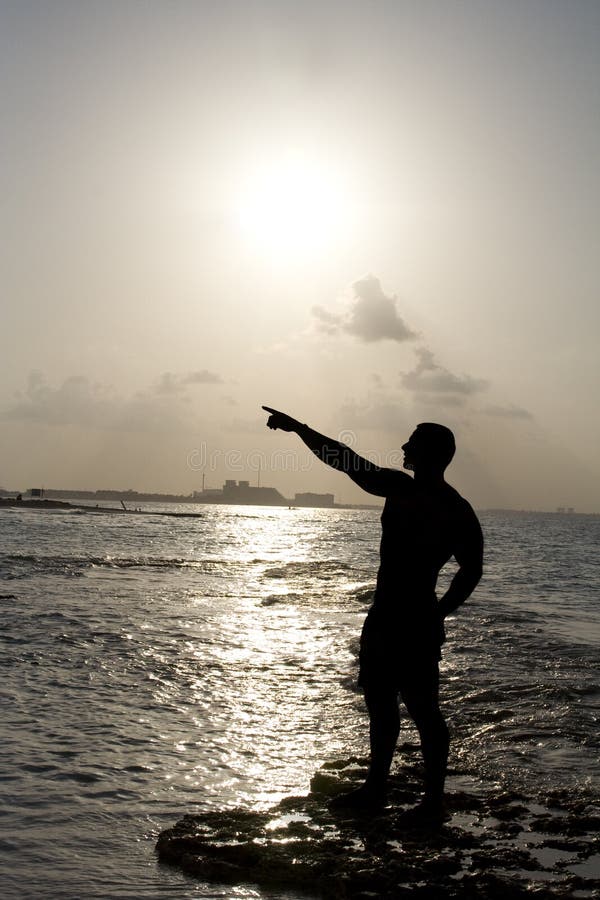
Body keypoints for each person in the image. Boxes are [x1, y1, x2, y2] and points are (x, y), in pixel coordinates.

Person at [262, 406, 483, 819]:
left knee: (421, 710)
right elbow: (345, 460)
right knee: (384, 705)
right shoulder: (447, 504)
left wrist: (438, 613)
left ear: (431, 453)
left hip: (408, 619)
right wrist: (299, 428)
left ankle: (431, 801)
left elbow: (471, 571)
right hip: (394, 617)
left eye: (412, 442)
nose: (403, 445)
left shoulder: (417, 494)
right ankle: (379, 789)